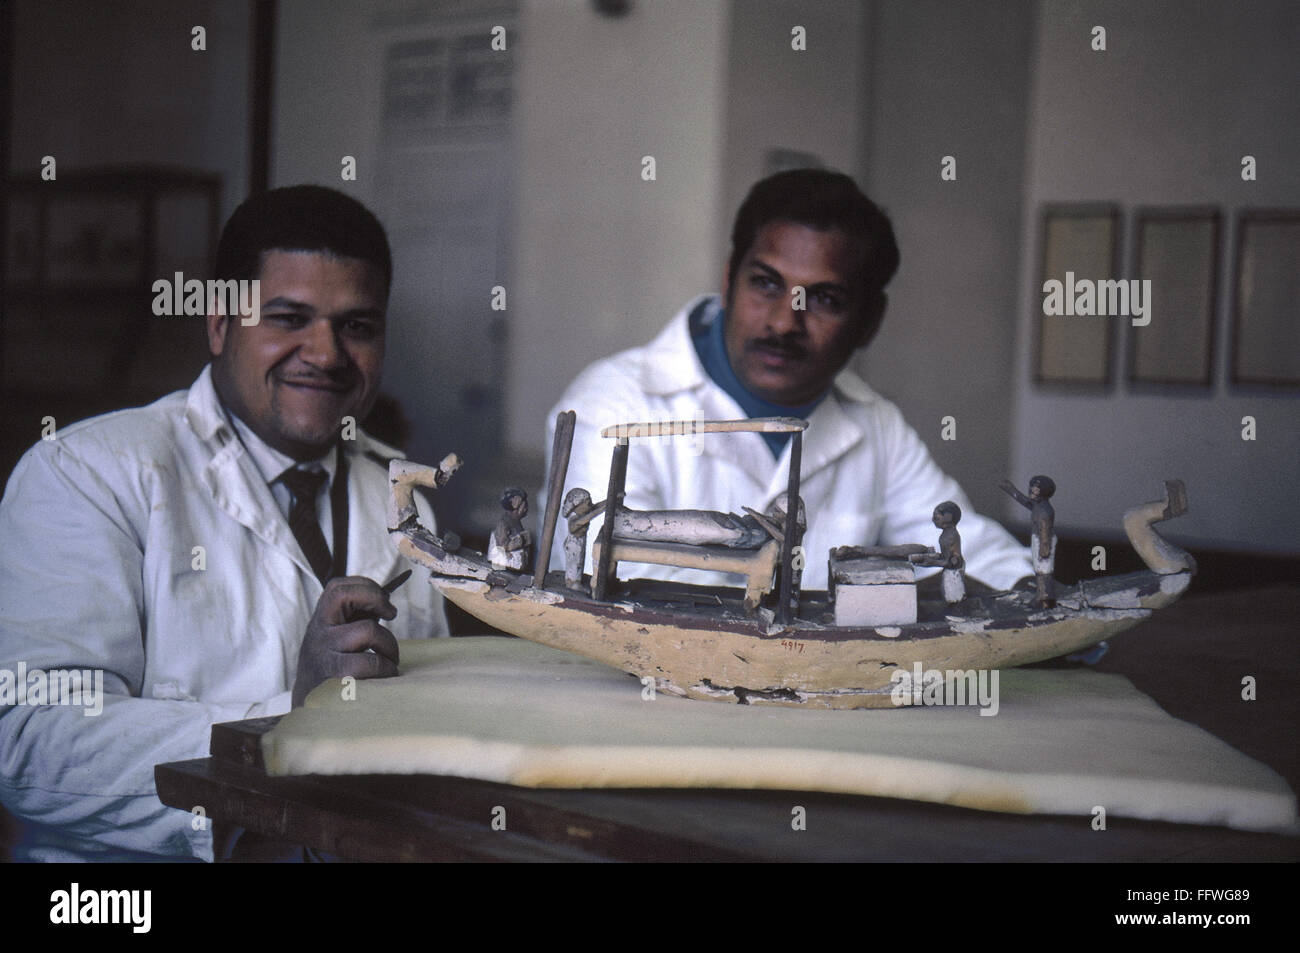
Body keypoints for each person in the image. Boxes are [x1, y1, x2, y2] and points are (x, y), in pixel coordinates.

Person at [0, 185, 448, 862]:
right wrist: (282, 726)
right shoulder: (85, 473)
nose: (324, 353)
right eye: (288, 317)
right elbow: (31, 740)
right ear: (218, 325)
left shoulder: (400, 494)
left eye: (355, 325)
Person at [545, 169, 1031, 592]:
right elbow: (621, 579)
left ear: (869, 322)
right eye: (766, 283)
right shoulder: (614, 403)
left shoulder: (877, 426)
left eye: (823, 300)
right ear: (729, 277)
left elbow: (980, 559)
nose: (784, 323)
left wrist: (1044, 602)